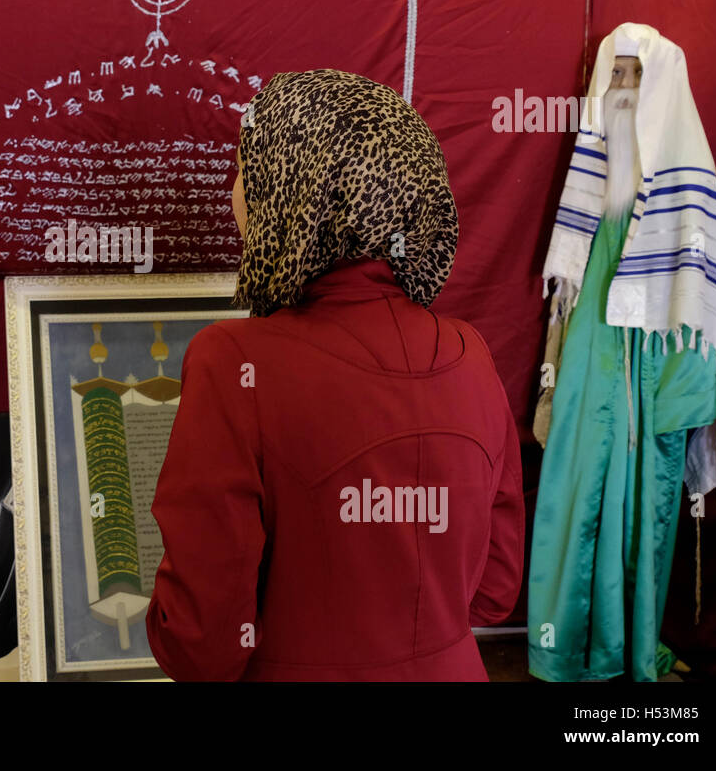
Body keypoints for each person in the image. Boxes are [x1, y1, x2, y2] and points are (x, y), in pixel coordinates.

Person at [144, 69, 524, 681]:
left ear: (293, 191)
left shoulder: (232, 360)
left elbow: (202, 641)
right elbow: (495, 590)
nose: (234, 190)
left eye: (247, 168)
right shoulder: (471, 352)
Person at [529, 23, 716, 682]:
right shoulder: (595, 196)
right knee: (571, 509)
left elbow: (702, 314)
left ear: (662, 89)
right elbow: (565, 297)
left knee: (644, 525)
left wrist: (676, 405)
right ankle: (565, 652)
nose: (621, 92)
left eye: (634, 77)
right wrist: (551, 382)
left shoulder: (691, 197)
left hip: (653, 397)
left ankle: (627, 652)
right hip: (588, 390)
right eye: (614, 76)